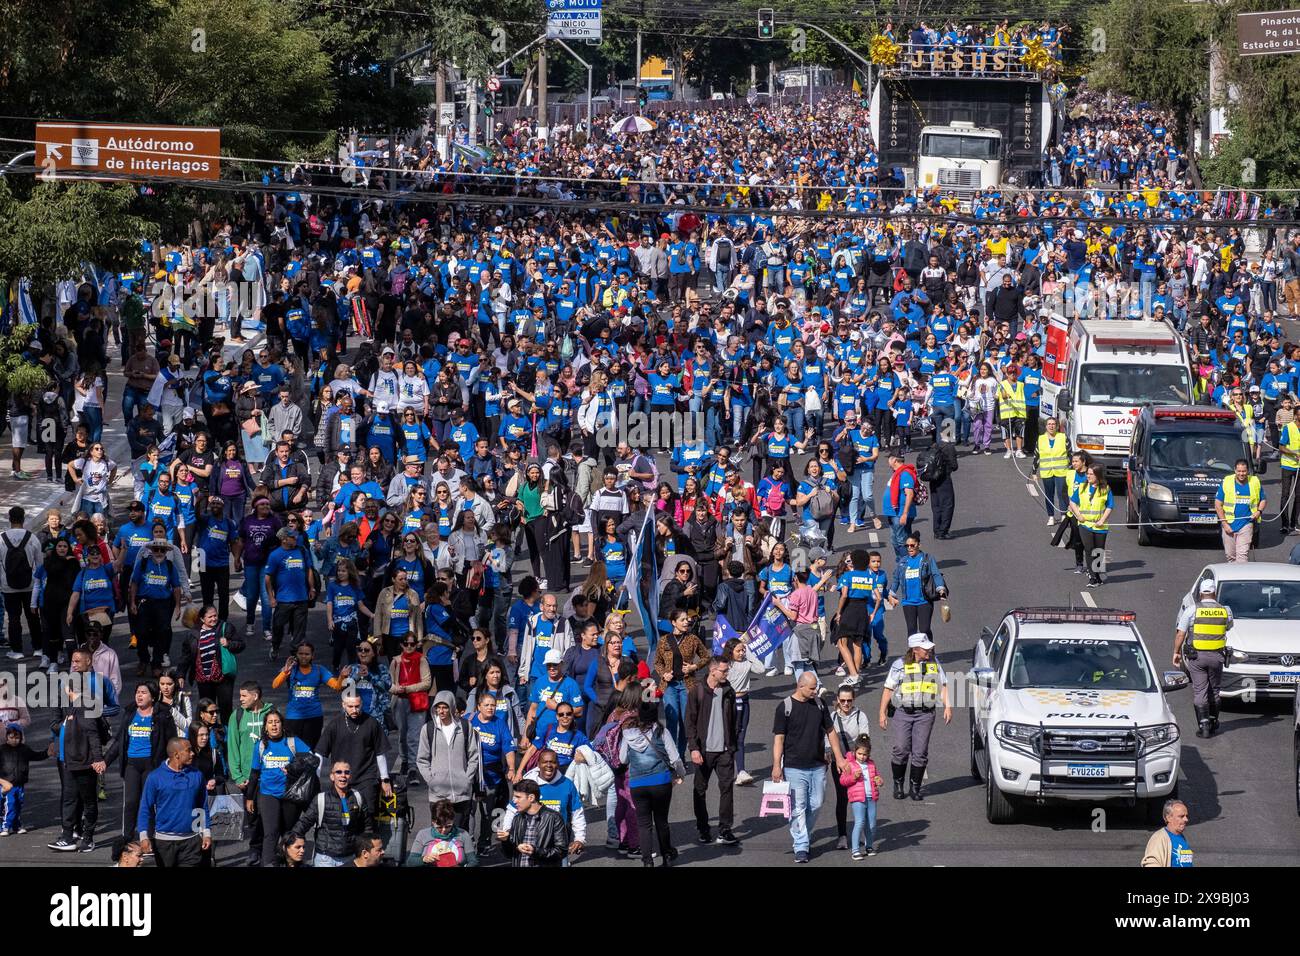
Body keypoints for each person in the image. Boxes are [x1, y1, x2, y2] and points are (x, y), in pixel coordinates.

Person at [771, 672, 848, 864]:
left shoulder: (820, 704)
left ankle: (803, 832)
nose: (815, 691)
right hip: (794, 767)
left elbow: (831, 732)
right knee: (798, 808)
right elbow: (779, 739)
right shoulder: (785, 707)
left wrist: (839, 758)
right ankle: (801, 845)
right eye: (812, 688)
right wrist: (776, 766)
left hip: (817, 765)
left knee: (816, 804)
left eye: (816, 688)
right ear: (800, 686)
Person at [48, 650, 110, 853]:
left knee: (88, 798)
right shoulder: (63, 693)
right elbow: (54, 722)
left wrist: (98, 758)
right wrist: (67, 725)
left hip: (86, 756)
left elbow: (96, 729)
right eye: (72, 661)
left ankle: (87, 835)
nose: (73, 665)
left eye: (77, 661)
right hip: (66, 754)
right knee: (69, 795)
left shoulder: (94, 692)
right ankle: (69, 834)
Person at [878, 633, 952, 802]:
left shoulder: (934, 663)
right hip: (903, 713)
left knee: (920, 752)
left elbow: (943, 684)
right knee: (901, 749)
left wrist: (948, 706)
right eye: (926, 648)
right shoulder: (899, 665)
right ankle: (898, 784)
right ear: (915, 649)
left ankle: (915, 787)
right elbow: (888, 689)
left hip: (925, 714)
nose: (929, 650)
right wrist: (882, 712)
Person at [103, 680, 173, 849]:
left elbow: (171, 742)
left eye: (144, 692)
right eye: (137, 692)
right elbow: (120, 741)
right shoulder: (129, 714)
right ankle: (127, 837)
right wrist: (105, 761)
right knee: (132, 801)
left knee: (148, 802)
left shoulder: (162, 715)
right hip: (132, 765)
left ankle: (149, 838)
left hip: (152, 765)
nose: (139, 696)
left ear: (153, 697)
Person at [619, 698, 686, 867]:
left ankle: (647, 862)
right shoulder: (661, 732)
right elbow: (675, 758)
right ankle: (666, 857)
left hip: (637, 784)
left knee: (644, 824)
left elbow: (622, 759)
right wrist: (681, 773)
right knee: (661, 821)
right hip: (660, 782)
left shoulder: (629, 735)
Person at [245, 709, 312, 867]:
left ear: (282, 724)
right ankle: (268, 863)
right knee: (270, 832)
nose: (274, 725)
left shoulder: (292, 742)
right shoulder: (260, 745)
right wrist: (249, 797)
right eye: (270, 722)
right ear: (265, 726)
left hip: (290, 794)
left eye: (277, 722)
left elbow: (311, 758)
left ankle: (289, 862)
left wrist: (294, 767)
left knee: (288, 832)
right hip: (268, 794)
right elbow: (254, 773)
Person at [685, 655, 740, 847]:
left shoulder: (728, 691)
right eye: (724, 671)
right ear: (712, 670)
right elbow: (689, 722)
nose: (727, 673)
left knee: (727, 788)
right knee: (700, 790)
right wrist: (694, 748)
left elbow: (735, 720)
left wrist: (732, 746)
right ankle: (703, 828)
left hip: (724, 750)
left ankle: (725, 829)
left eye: (727, 670)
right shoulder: (697, 691)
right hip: (703, 751)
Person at [315, 692, 393, 818]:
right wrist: (316, 777)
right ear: (343, 705)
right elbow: (320, 753)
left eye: (357, 706)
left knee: (368, 815)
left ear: (361, 704)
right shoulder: (334, 725)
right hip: (341, 778)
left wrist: (385, 779)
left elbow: (380, 753)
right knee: (340, 816)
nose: (354, 710)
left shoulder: (372, 723)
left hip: (366, 777)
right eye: (350, 706)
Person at [137, 737, 210, 867]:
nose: (192, 753)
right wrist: (143, 836)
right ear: (176, 755)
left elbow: (202, 806)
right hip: (164, 843)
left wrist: (206, 833)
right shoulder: (155, 777)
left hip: (191, 842)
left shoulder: (197, 775)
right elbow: (145, 808)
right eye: (188, 751)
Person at [1173, 578, 1232, 738]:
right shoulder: (1225, 610)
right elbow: (1229, 626)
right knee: (1215, 690)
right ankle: (1213, 721)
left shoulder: (1192, 610)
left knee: (1200, 691)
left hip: (1197, 657)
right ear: (1214, 592)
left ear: (1200, 593)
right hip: (1217, 657)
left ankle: (1203, 725)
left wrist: (1176, 652)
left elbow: (1181, 634)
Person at [416, 690, 482, 831]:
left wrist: (467, 779)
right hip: (437, 795)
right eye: (438, 707)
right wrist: (432, 780)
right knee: (440, 834)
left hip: (461, 794)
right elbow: (422, 759)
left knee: (459, 835)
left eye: (445, 707)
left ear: (452, 707)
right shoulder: (428, 729)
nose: (441, 711)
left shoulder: (465, 727)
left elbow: (473, 756)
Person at [289, 759, 369, 866]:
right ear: (332, 776)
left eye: (347, 772)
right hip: (325, 859)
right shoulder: (321, 799)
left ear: (350, 776)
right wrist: (291, 844)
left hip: (350, 857)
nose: (343, 775)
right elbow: (303, 823)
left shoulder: (358, 797)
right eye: (338, 772)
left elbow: (367, 827)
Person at [653, 609, 710, 754]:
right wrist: (663, 674)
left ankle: (682, 755)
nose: (687, 622)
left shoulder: (693, 639)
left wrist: (694, 666)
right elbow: (657, 662)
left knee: (686, 722)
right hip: (669, 686)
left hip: (687, 684)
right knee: (672, 720)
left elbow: (706, 657)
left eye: (687, 619)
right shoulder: (664, 640)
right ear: (673, 622)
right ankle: (673, 756)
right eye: (683, 620)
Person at [271, 642, 348, 749]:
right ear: (296, 655)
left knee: (310, 750)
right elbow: (275, 685)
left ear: (313, 656)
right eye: (300, 653)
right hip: (293, 717)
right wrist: (285, 671)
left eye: (307, 654)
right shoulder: (291, 669)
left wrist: (342, 677)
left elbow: (337, 686)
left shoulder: (319, 670)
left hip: (313, 717)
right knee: (291, 749)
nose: (303, 656)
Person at [828, 684, 872, 851]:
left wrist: (854, 760)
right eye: (843, 700)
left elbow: (864, 741)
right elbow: (827, 739)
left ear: (853, 700)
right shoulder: (832, 717)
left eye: (849, 701)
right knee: (842, 799)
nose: (846, 704)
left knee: (860, 798)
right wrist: (836, 757)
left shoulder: (861, 716)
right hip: (838, 764)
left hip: (857, 764)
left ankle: (859, 832)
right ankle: (842, 835)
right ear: (838, 700)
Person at [0, 506, 42, 662]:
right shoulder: (32, 538)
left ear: (9, 519)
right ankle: (38, 648)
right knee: (33, 617)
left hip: (8, 586)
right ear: (23, 519)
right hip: (30, 585)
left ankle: (17, 650)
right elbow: (40, 564)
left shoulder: (1, 539)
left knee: (13, 618)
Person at [498, 777, 569, 868]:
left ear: (531, 798)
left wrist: (535, 851)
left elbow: (561, 851)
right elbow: (509, 855)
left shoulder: (554, 818)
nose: (514, 801)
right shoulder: (517, 819)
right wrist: (506, 841)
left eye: (518, 797)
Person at [891, 533, 948, 641]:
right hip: (908, 602)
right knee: (911, 630)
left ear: (918, 545)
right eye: (907, 546)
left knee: (924, 629)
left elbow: (936, 574)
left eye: (912, 545)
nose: (909, 548)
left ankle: (929, 652)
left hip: (924, 600)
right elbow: (896, 579)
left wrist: (941, 588)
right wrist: (891, 593)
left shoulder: (927, 559)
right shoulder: (902, 561)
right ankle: (913, 655)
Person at [0, 722, 49, 835]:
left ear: (21, 738)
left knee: (18, 804)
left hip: (20, 783)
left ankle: (16, 825)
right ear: (6, 737)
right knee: (10, 804)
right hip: (7, 784)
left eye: (17, 737)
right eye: (11, 737)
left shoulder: (24, 749)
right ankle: (5, 826)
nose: (14, 740)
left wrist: (47, 753)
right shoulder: (2, 750)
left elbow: (36, 756)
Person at [1069, 463, 1112, 588]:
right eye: (1087, 473)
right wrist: (1079, 515)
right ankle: (1092, 577)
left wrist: (1103, 520)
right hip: (1085, 524)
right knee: (1089, 549)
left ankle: (1098, 576)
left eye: (1091, 474)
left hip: (1100, 526)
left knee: (1099, 551)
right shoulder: (1082, 487)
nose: (1088, 476)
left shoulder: (1106, 489)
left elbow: (1110, 506)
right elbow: (1072, 502)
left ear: (1098, 475)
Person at [839, 734, 881, 860]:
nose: (862, 757)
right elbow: (843, 781)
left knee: (872, 824)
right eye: (859, 754)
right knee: (860, 822)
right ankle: (855, 850)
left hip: (871, 797)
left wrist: (879, 780)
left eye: (865, 754)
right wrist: (853, 777)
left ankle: (869, 846)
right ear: (855, 752)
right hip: (857, 798)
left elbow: (876, 776)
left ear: (868, 754)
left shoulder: (871, 764)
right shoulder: (850, 765)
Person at [1215, 458, 1265, 563]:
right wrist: (1224, 524)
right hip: (1229, 525)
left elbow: (1263, 500)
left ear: (1248, 471)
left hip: (1246, 525)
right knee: (1230, 557)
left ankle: (1243, 578)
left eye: (1243, 471)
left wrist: (1258, 512)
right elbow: (1218, 504)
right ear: (1235, 470)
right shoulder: (1227, 482)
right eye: (1239, 471)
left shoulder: (1255, 482)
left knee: (1242, 557)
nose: (1241, 474)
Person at [417, 798, 478, 867]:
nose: (444, 830)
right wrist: (423, 859)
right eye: (439, 827)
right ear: (433, 822)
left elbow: (473, 861)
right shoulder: (423, 834)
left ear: (453, 820)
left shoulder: (463, 834)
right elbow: (410, 862)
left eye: (448, 826)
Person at [1141, 799, 1194, 867]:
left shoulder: (1181, 837)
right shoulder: (1159, 838)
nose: (1186, 819)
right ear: (1169, 818)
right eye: (1181, 816)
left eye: (1186, 816)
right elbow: (1151, 863)